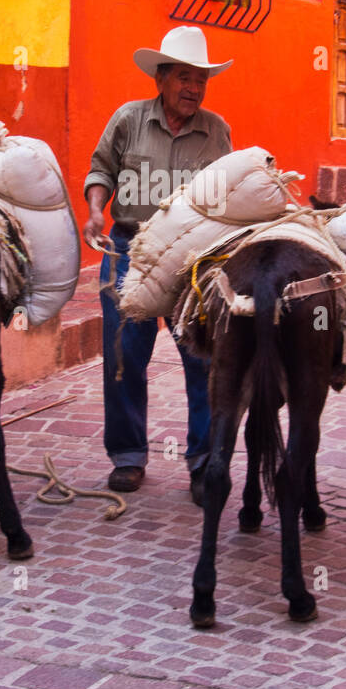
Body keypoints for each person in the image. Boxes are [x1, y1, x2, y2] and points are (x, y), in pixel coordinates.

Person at [83, 25, 233, 503]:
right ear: (161, 79)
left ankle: (203, 460)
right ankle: (128, 456)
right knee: (124, 356)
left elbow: (231, 193)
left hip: (194, 258)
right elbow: (100, 167)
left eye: (200, 80)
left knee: (202, 357)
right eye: (184, 78)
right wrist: (94, 212)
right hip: (131, 250)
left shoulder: (217, 132)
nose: (193, 88)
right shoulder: (128, 120)